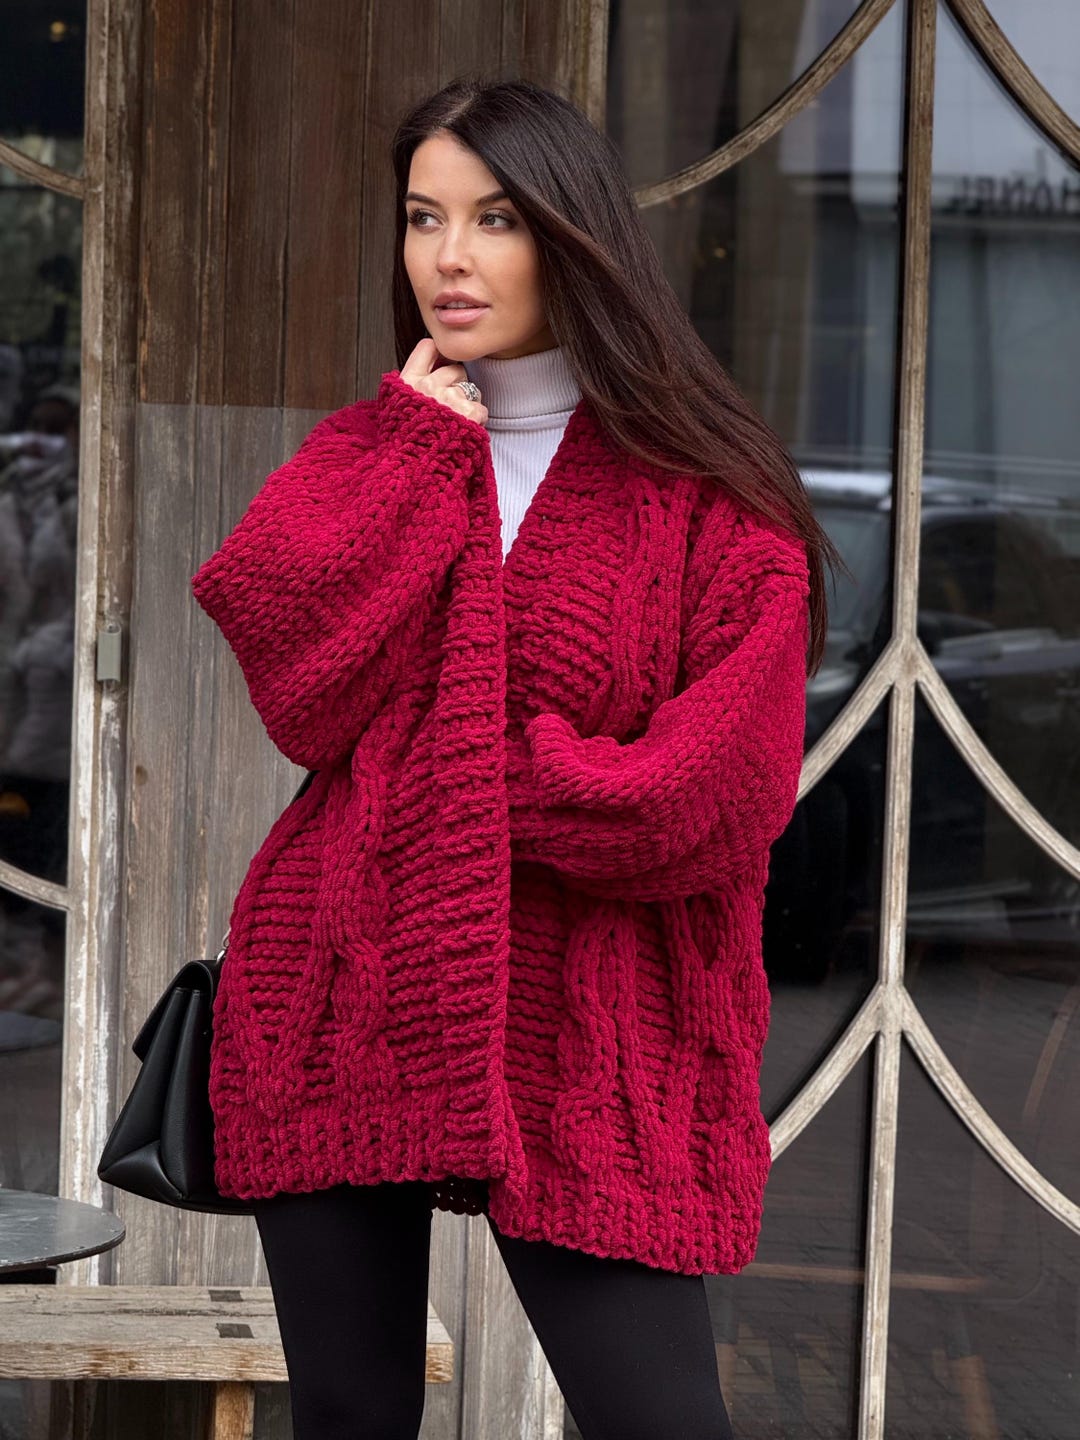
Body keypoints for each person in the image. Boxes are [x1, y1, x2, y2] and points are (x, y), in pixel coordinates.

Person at [190, 75, 844, 1440]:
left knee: (661, 1420)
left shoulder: (707, 499)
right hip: (337, 1001)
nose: (449, 256)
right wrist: (415, 460)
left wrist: (446, 780)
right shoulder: (380, 448)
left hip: (596, 1032)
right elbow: (300, 689)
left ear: (574, 235)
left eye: (494, 219)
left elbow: (703, 802)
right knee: (349, 1417)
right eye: (424, 217)